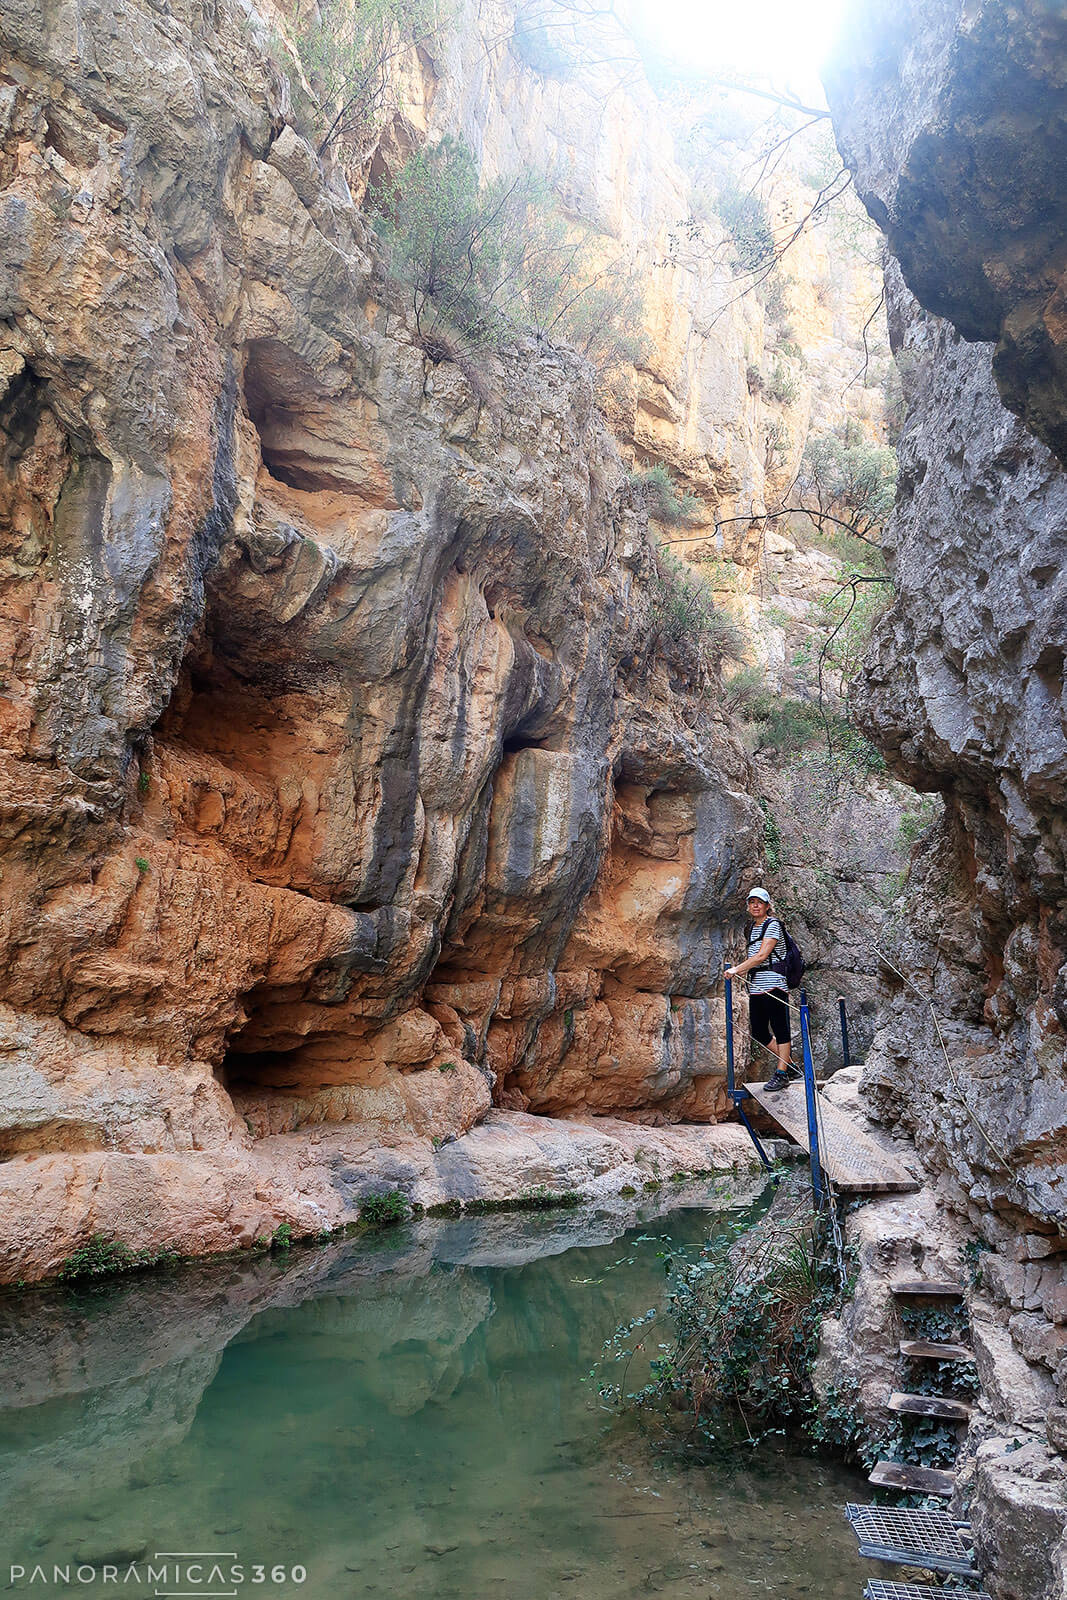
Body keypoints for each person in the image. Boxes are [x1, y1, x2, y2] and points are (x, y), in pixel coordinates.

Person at [724, 887, 798, 1093]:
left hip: (774, 983)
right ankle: (790, 1065)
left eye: (759, 902)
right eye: (752, 902)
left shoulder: (772, 925)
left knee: (780, 1028)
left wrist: (736, 969)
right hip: (757, 986)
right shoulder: (752, 928)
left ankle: (782, 1073)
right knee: (758, 1030)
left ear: (767, 906)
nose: (755, 905)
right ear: (748, 906)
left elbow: (761, 956)